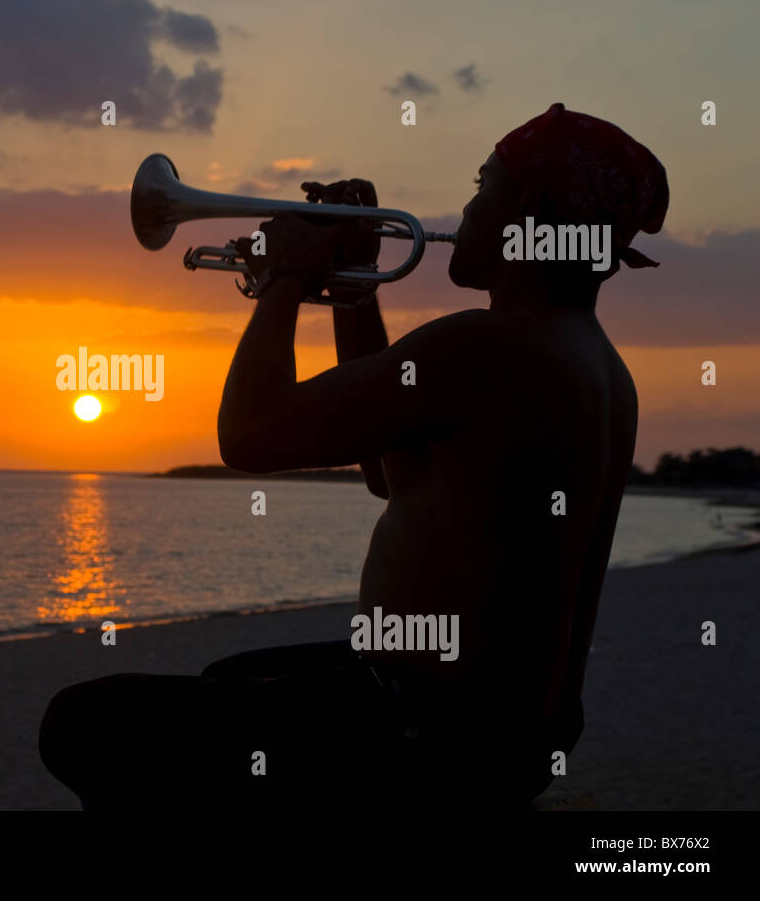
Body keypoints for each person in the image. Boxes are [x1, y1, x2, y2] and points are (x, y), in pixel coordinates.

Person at [39, 103, 670, 810]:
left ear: (526, 209)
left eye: (482, 185)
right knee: (233, 677)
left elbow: (250, 435)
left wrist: (284, 279)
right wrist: (351, 287)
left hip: (430, 737)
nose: (465, 208)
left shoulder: (485, 347)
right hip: (513, 729)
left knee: (84, 722)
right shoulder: (594, 362)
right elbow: (387, 472)